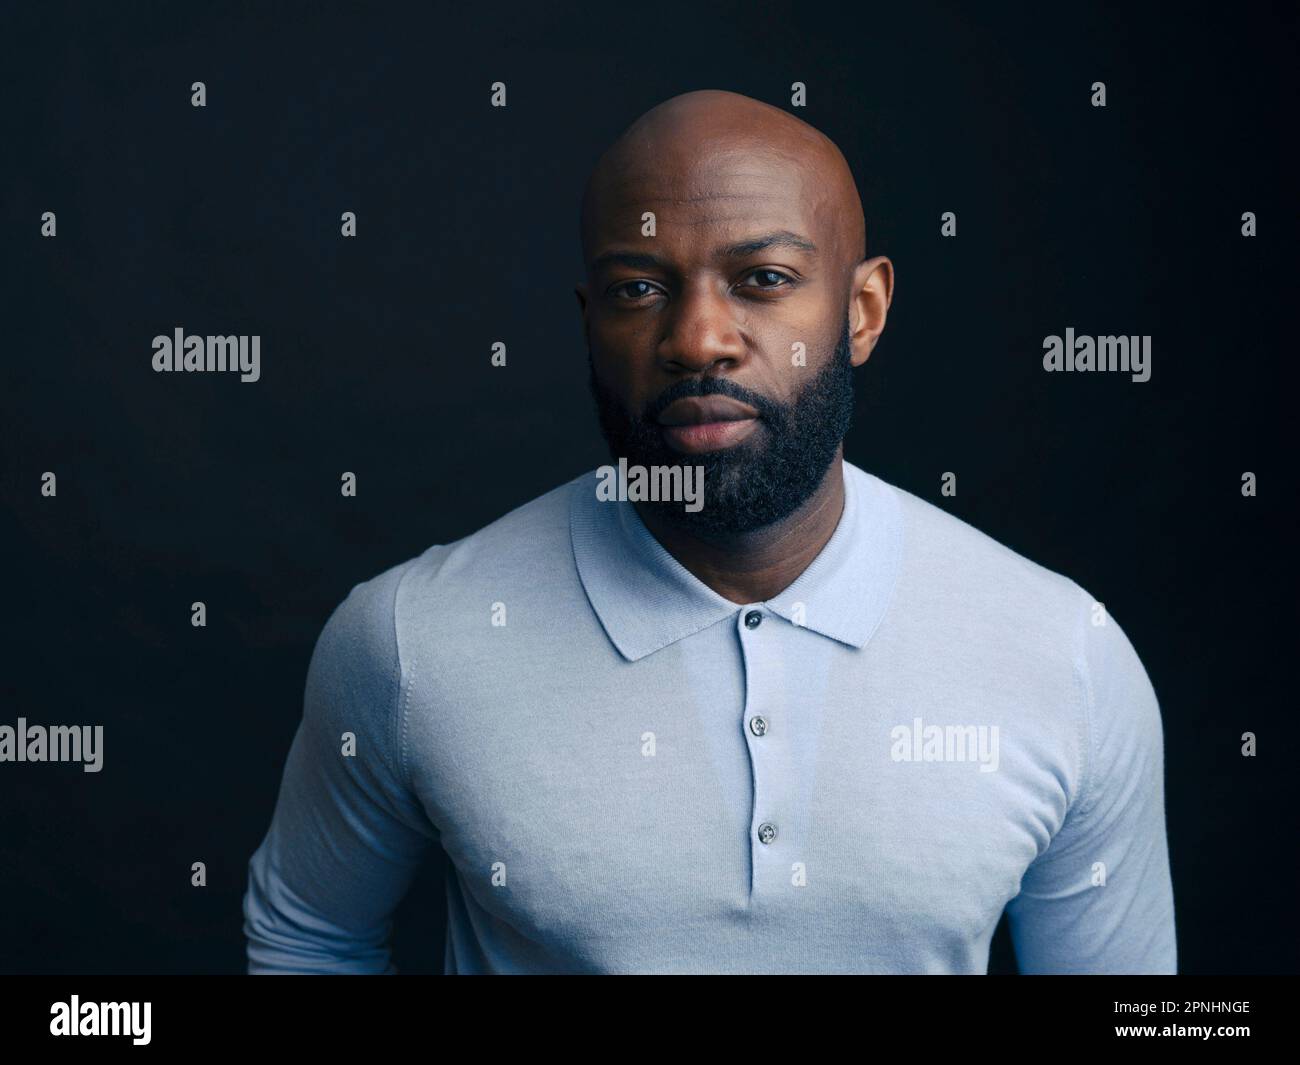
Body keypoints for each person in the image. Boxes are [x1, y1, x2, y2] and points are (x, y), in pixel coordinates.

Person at [243, 89, 1176, 974]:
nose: (698, 338)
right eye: (639, 288)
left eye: (763, 279)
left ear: (862, 312)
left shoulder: (1065, 654)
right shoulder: (411, 639)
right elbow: (310, 938)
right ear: (590, 324)